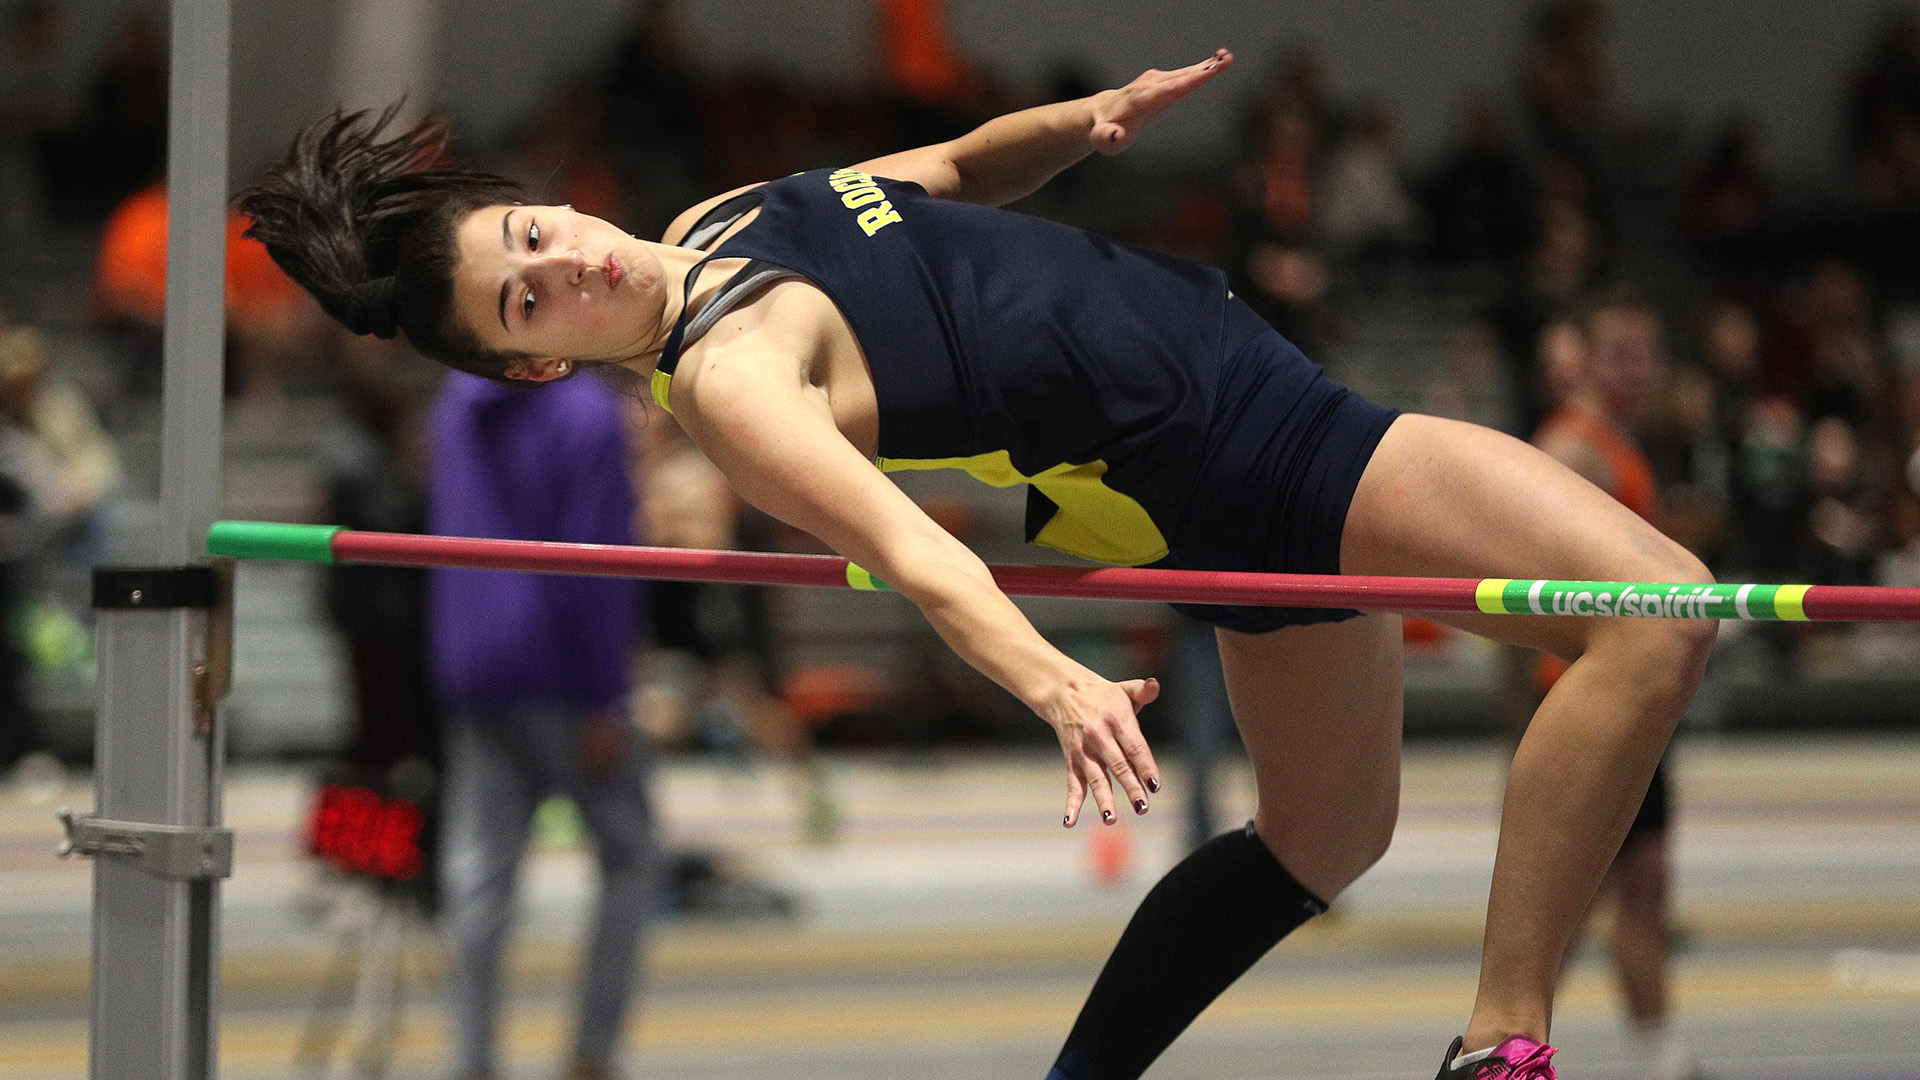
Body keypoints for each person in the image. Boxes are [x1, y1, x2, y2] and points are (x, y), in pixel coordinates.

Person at [236, 49, 1715, 1080]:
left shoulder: (715, 222)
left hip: (1216, 439)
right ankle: (1503, 1044)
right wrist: (1057, 684)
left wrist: (1086, 120)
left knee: (1325, 839)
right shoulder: (736, 378)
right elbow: (902, 556)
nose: (570, 269)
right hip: (1262, 441)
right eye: (530, 304)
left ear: (546, 195)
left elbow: (940, 174)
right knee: (1656, 618)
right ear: (535, 368)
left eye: (534, 235)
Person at [424, 369, 658, 1080]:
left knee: (480, 881)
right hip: (559, 671)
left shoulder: (456, 400)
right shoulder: (586, 417)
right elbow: (598, 565)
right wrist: (606, 696)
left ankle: (471, 1063)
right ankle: (592, 1053)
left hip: (471, 663)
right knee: (630, 859)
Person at [1525, 296, 1705, 1080]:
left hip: (1629, 700)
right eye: (1622, 355)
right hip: (1590, 700)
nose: (1639, 373)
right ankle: (1505, 1045)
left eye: (1648, 355)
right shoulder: (1571, 449)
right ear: (1587, 359)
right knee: (1576, 909)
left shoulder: (1617, 444)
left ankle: (1660, 1060)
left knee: (1625, 894)